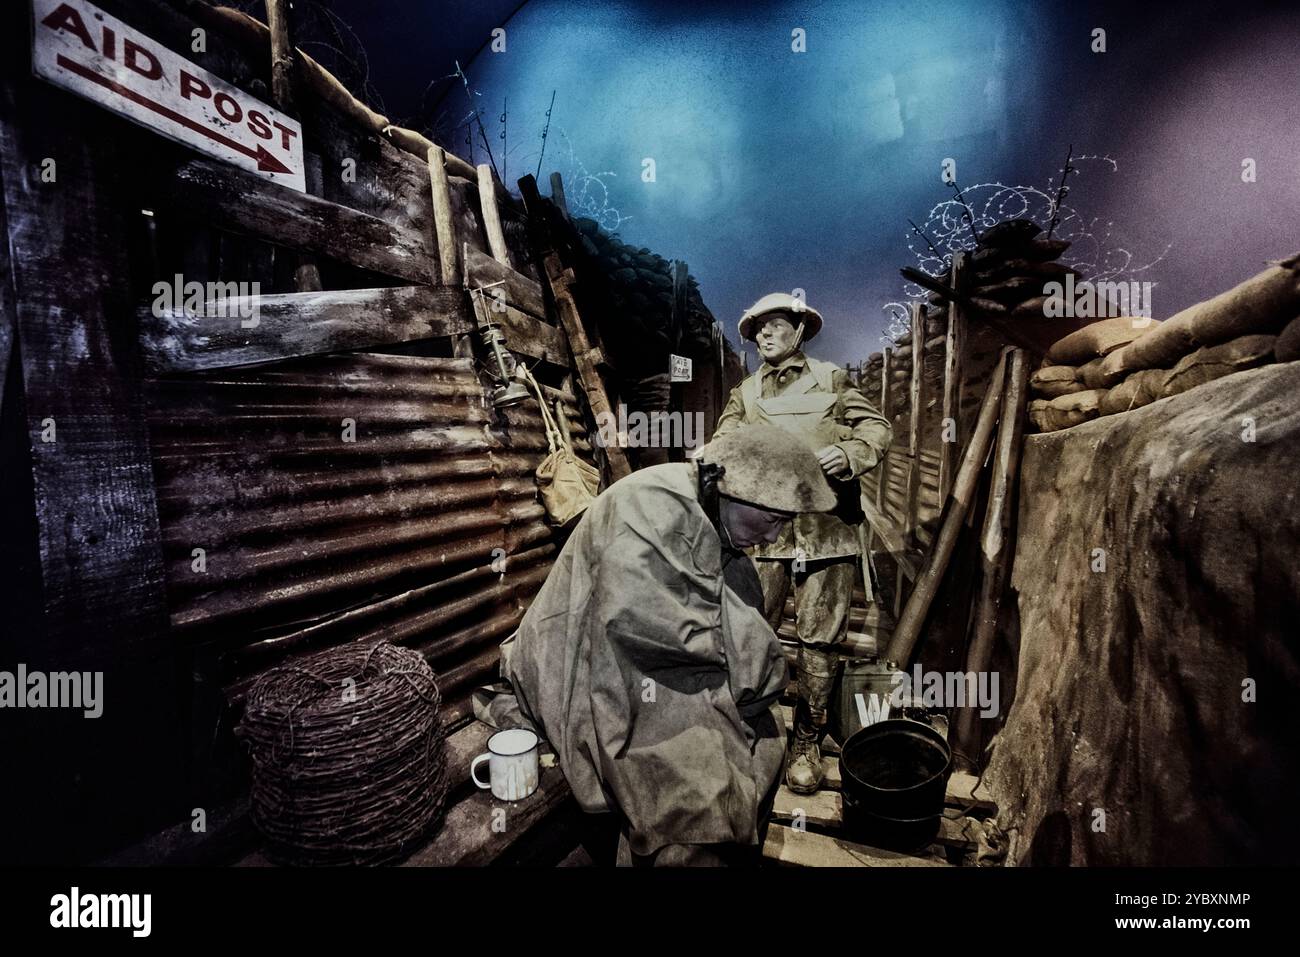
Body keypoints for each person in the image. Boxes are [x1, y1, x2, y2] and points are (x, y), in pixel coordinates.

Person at [491, 425, 836, 865]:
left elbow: (717, 623)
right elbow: (647, 631)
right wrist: (750, 665)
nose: (774, 539)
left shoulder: (712, 515)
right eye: (773, 520)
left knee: (760, 737)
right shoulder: (652, 509)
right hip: (589, 656)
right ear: (729, 491)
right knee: (684, 786)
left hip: (647, 656)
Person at [713, 292, 893, 794]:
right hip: (763, 535)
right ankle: (753, 724)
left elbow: (876, 428)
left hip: (826, 532)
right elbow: (724, 447)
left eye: (774, 326)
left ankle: (807, 740)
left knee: (819, 642)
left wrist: (850, 451)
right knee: (752, 631)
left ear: (798, 330)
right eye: (757, 330)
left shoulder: (832, 379)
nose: (764, 335)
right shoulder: (745, 394)